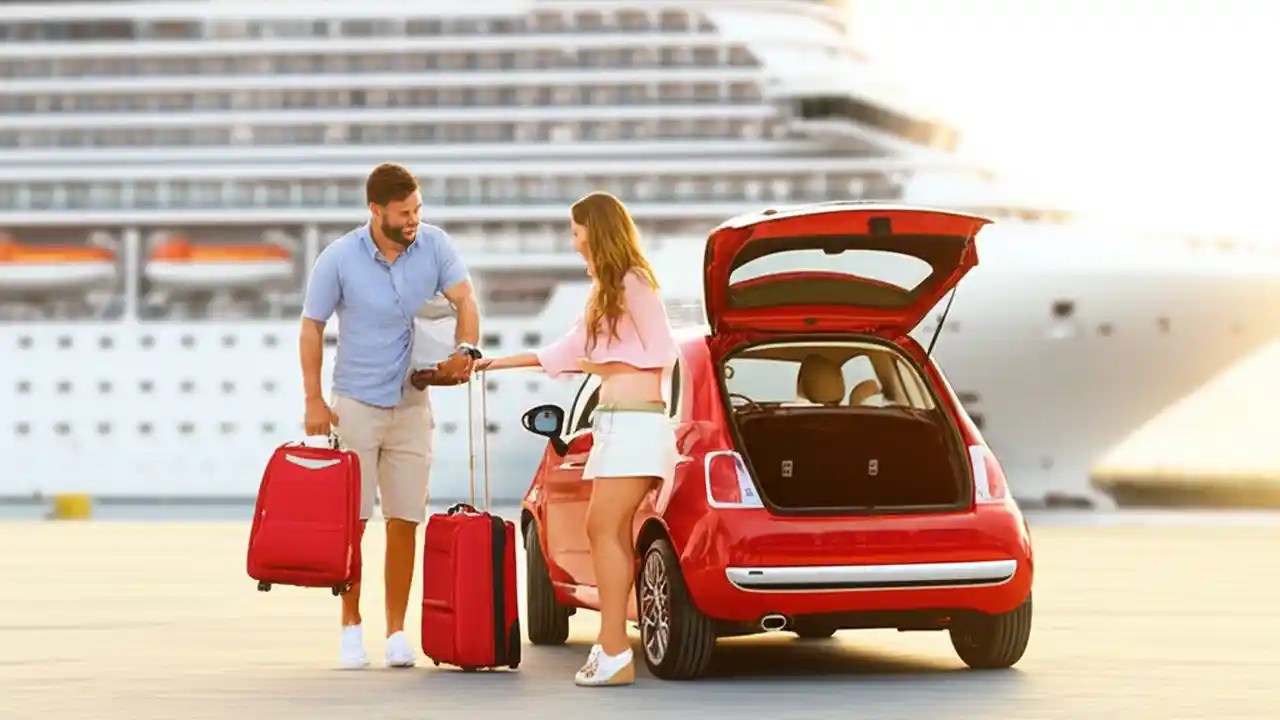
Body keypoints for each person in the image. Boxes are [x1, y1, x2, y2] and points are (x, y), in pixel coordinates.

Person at [476, 191, 679, 687]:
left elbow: (663, 354)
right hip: (614, 423)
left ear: (598, 229)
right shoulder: (605, 293)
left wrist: (596, 364)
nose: (573, 242)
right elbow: (563, 352)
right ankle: (611, 646)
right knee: (603, 530)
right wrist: (494, 363)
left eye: (576, 231)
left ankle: (614, 650)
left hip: (636, 423)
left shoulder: (635, 284)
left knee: (603, 528)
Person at [299, 162, 482, 670]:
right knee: (352, 523)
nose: (414, 220)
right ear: (376, 211)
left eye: (418, 209)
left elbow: (466, 302)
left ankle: (398, 632)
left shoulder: (436, 246)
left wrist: (466, 349)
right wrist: (314, 401)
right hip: (355, 403)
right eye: (404, 213)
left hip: (412, 402)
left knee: (405, 520)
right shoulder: (338, 258)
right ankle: (350, 626)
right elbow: (311, 327)